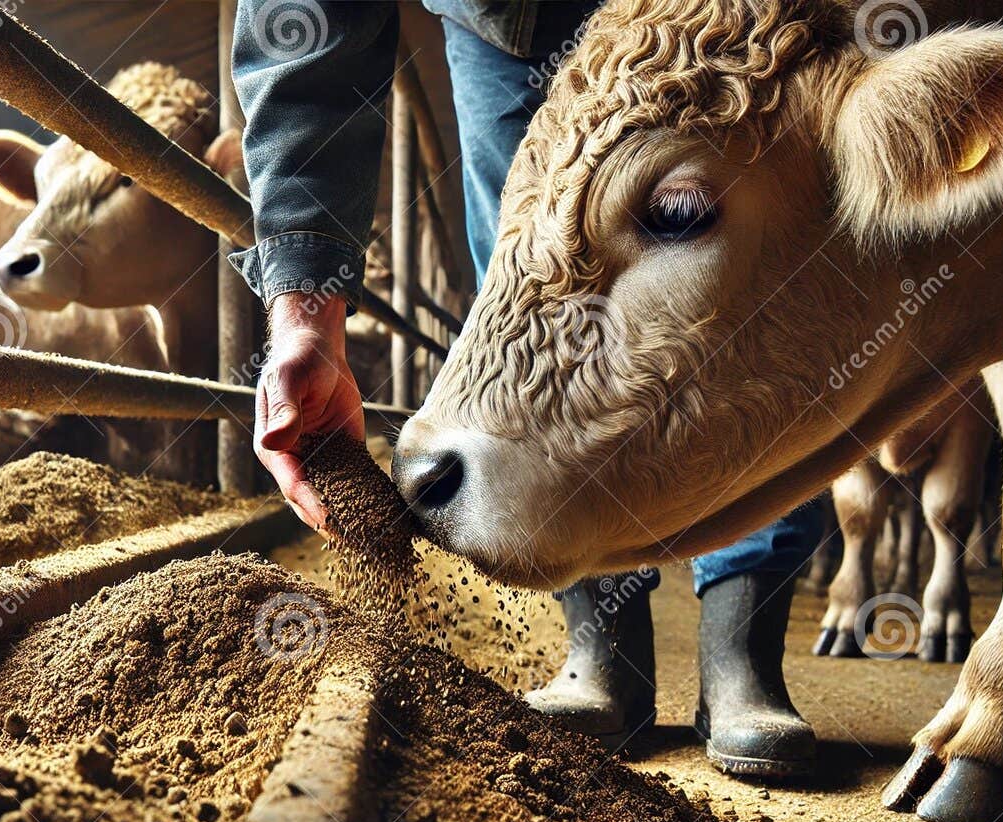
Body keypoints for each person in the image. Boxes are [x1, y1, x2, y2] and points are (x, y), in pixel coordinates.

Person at [229, 0, 822, 777]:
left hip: (737, 23)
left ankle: (743, 647)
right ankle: (601, 648)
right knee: (528, 273)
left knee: (749, 282)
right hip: (514, 26)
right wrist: (304, 318)